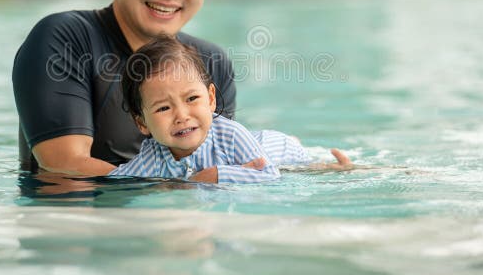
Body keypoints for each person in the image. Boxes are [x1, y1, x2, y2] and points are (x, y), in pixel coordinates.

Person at [12, 0, 350, 179]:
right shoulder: (65, 39)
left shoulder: (210, 63)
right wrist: (175, 188)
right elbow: (64, 167)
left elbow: (223, 166)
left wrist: (313, 173)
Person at [109, 35, 352, 183]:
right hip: (251, 149)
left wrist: (216, 175)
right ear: (142, 122)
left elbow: (269, 175)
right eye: (163, 108)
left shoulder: (230, 134)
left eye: (192, 98)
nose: (182, 116)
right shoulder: (152, 155)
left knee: (301, 168)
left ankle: (295, 142)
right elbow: (119, 179)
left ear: (211, 98)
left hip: (277, 150)